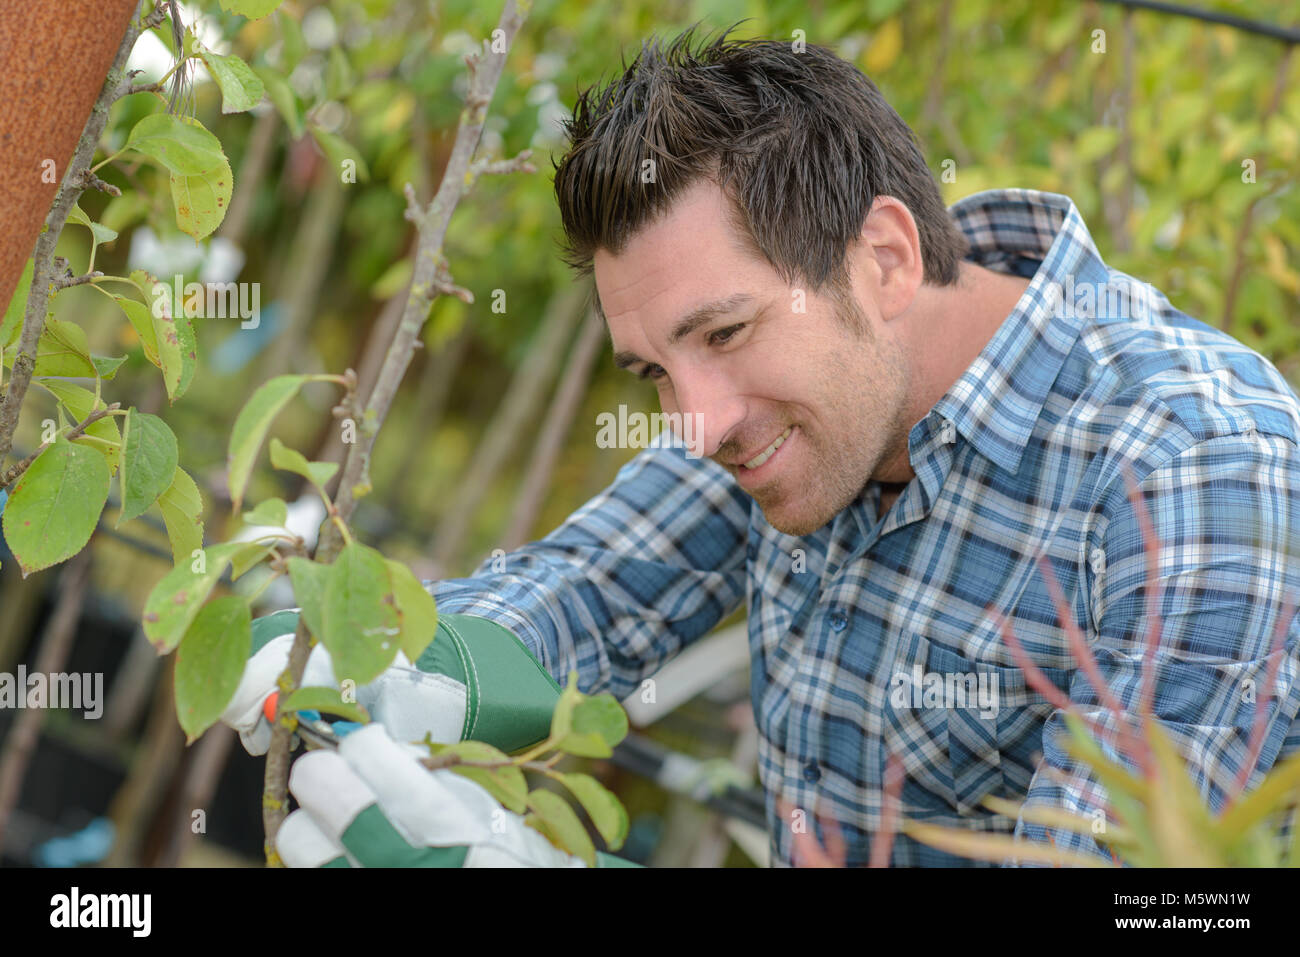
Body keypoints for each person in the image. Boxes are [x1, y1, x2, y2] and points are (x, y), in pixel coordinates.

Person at [223, 24, 1300, 867]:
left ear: (882, 259)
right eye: (654, 371)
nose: (697, 422)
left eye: (725, 333)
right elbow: (594, 589)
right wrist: (393, 657)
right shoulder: (810, 401)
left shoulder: (1202, 472)